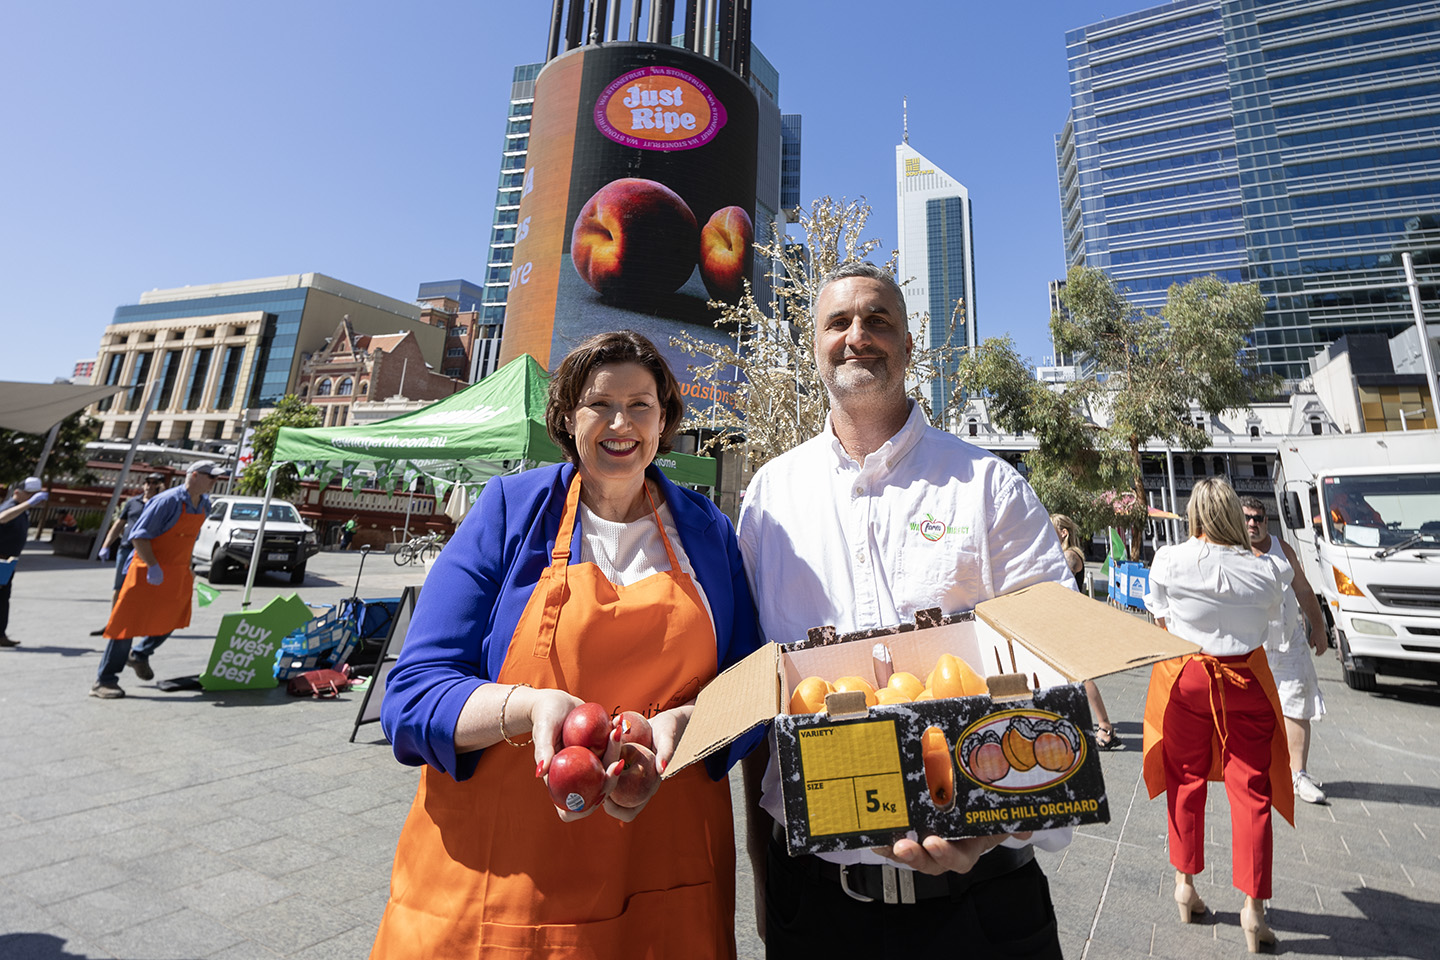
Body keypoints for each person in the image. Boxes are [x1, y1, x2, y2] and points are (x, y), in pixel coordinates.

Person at [370, 330, 763, 959]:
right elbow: (412, 699)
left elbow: (751, 685)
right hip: (504, 884)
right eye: (599, 404)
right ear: (566, 417)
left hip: (663, 869)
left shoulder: (708, 530)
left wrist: (691, 724)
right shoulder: (508, 511)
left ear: (664, 421)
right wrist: (528, 709)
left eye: (640, 405)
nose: (620, 423)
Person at [737, 262, 1072, 959]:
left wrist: (998, 825)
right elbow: (754, 687)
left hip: (983, 906)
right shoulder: (769, 497)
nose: (857, 336)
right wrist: (762, 875)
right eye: (839, 322)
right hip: (820, 909)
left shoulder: (988, 486)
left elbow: (1054, 664)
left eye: (878, 320)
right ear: (816, 347)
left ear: (910, 345)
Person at [1142, 477, 1294, 953]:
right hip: (1244, 678)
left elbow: (1159, 614)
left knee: (1183, 775)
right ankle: (1253, 911)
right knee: (1251, 789)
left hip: (1188, 673)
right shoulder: (1268, 567)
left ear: (1193, 515)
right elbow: (1282, 628)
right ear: (1233, 513)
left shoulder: (1171, 559)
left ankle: (1184, 884)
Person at [91, 461, 228, 699]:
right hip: (147, 570)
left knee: (174, 618)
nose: (214, 482)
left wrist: (189, 567)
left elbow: (188, 539)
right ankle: (104, 681)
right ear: (194, 475)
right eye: (211, 477)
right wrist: (153, 567)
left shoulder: (204, 504)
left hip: (177, 571)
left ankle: (140, 654)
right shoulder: (166, 501)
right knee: (127, 626)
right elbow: (139, 537)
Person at [1241, 497, 1329, 804]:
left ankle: (1298, 775)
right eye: (1247, 518)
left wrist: (1319, 628)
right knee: (1254, 711)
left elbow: (1303, 588)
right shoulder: (1231, 550)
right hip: (1251, 646)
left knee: (1297, 704)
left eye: (1259, 518)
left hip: (1289, 643)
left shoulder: (1282, 548)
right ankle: (1256, 771)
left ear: (1267, 520)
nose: (1253, 523)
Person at [1053, 514, 1120, 750]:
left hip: (1072, 621)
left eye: (1052, 529)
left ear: (1064, 533)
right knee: (1070, 676)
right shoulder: (1064, 554)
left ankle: (1105, 727)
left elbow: (1058, 582)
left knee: (1082, 676)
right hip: (1065, 619)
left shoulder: (1071, 555)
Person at [93, 473, 167, 634]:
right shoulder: (133, 502)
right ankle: (114, 622)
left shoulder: (163, 504)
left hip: (147, 552)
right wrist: (106, 545)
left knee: (142, 589)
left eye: (155, 483)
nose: (150, 485)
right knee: (119, 587)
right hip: (126, 548)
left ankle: (139, 623)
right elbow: (119, 524)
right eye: (148, 482)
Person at [0, 478, 50, 647]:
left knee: (2, 598)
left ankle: (0, 635)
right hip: (1, 559)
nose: (31, 498)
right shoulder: (11, 506)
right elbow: (2, 518)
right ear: (17, 492)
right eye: (28, 494)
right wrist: (28, 504)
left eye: (34, 495)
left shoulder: (23, 509)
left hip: (7, 561)